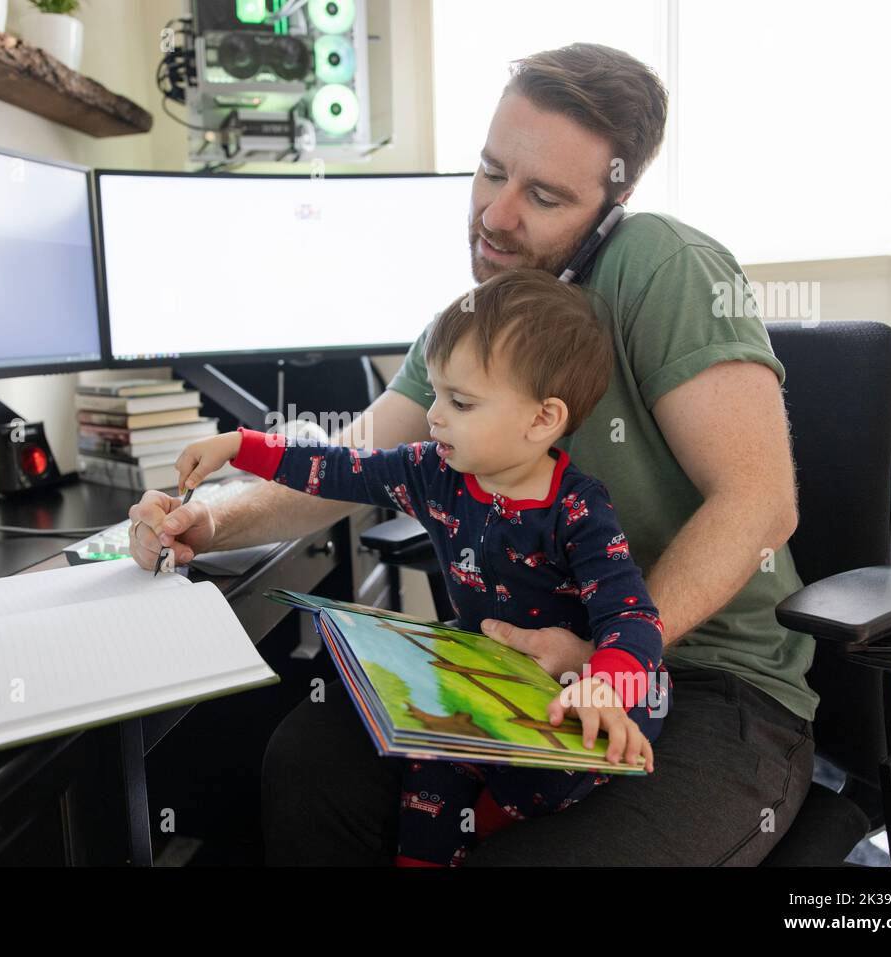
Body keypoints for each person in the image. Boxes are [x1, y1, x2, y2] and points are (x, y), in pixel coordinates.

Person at [128, 42, 815, 866]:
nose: (495, 216)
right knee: (308, 759)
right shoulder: (481, 322)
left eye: (544, 196)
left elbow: (760, 499)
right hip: (517, 665)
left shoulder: (659, 265)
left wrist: (608, 658)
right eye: (491, 173)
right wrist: (202, 519)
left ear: (615, 199)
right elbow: (348, 464)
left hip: (704, 682)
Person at [175, 270, 670, 866]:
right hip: (477, 673)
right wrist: (241, 446)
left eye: (459, 402)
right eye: (434, 392)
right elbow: (335, 467)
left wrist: (604, 681)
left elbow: (634, 617)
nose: (433, 416)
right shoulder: (428, 471)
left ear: (541, 420)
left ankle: (497, 817)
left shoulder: (579, 509)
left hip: (576, 689)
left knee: (551, 778)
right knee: (426, 781)